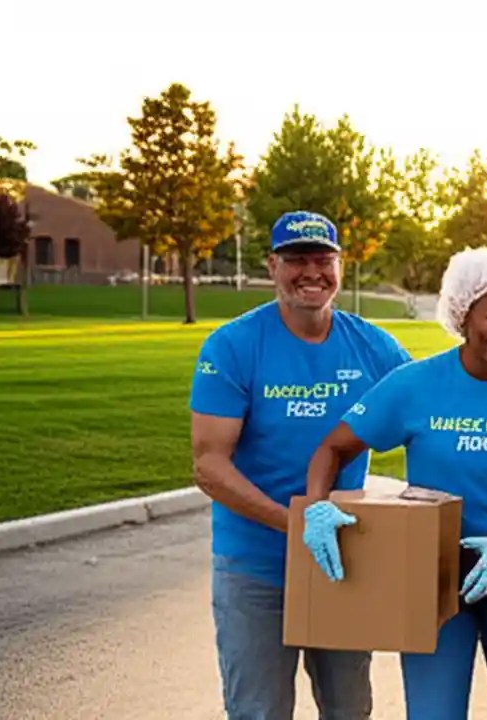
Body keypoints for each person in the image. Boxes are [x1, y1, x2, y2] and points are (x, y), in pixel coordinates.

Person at [300, 247, 487, 720]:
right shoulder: (416, 384)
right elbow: (333, 447)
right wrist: (317, 506)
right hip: (434, 578)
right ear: (463, 314)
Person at [188, 210, 413, 719]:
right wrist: (295, 523)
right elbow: (209, 464)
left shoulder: (374, 347)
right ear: (272, 266)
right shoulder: (233, 346)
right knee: (259, 711)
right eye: (296, 260)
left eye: (322, 259)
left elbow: (427, 415)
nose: (311, 272)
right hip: (255, 568)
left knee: (349, 708)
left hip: (343, 561)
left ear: (340, 266)